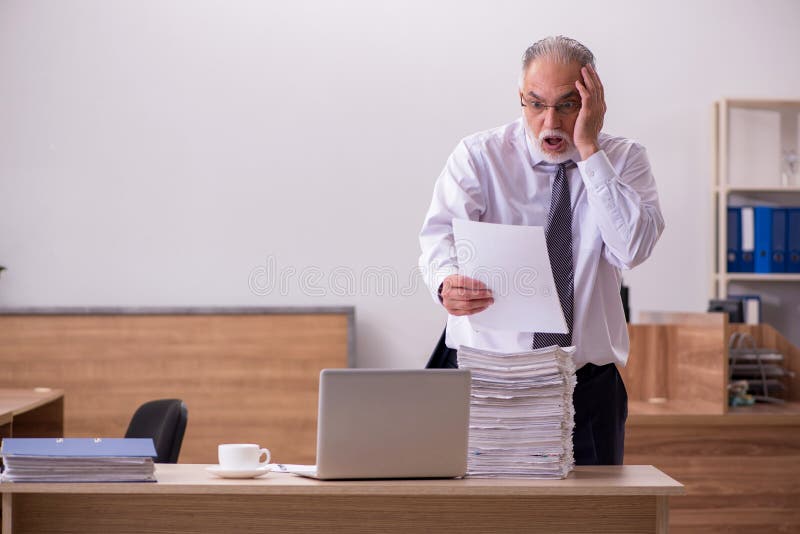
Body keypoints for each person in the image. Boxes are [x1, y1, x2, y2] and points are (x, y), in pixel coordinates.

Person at [418, 36, 665, 465]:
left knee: (590, 523)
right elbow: (439, 237)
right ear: (520, 99)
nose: (549, 122)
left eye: (567, 105)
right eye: (535, 104)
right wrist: (445, 282)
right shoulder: (479, 157)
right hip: (487, 379)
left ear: (594, 101)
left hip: (584, 385)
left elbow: (632, 249)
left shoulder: (625, 161)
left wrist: (590, 151)